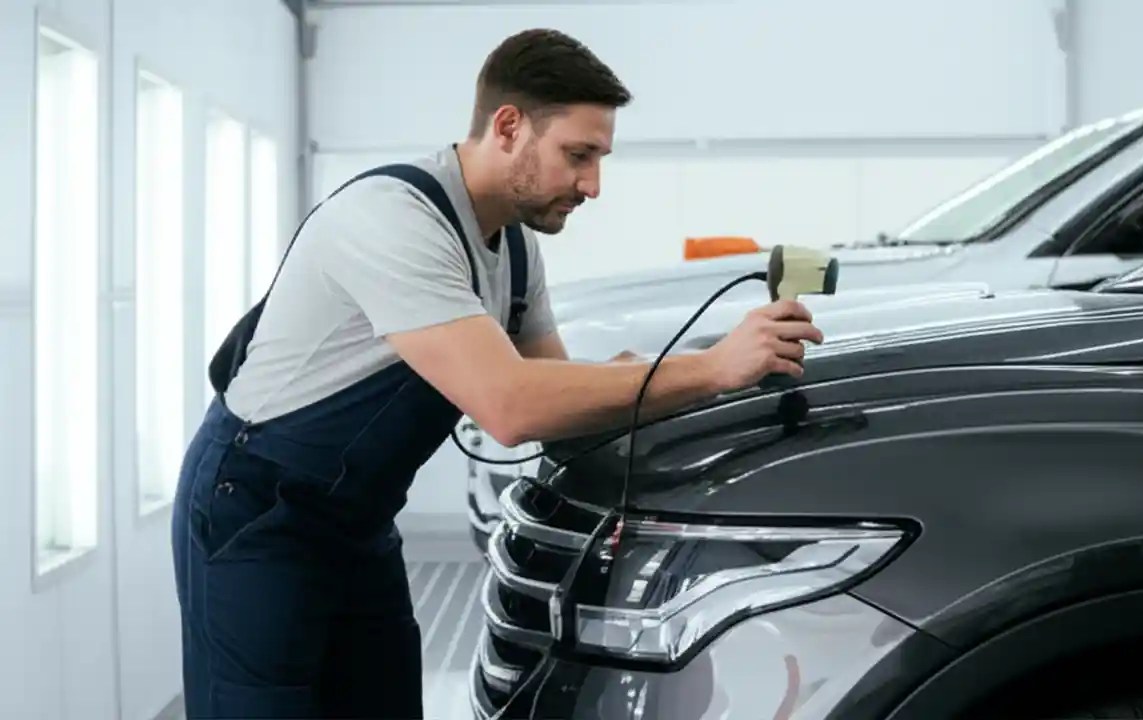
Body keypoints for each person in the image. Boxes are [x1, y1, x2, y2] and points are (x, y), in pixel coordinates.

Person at [171, 27, 824, 719]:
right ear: (508, 127)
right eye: (579, 156)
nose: (593, 185)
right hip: (256, 509)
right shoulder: (392, 218)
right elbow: (510, 407)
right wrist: (710, 370)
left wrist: (672, 377)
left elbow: (558, 399)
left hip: (355, 520)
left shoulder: (512, 244)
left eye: (600, 159)